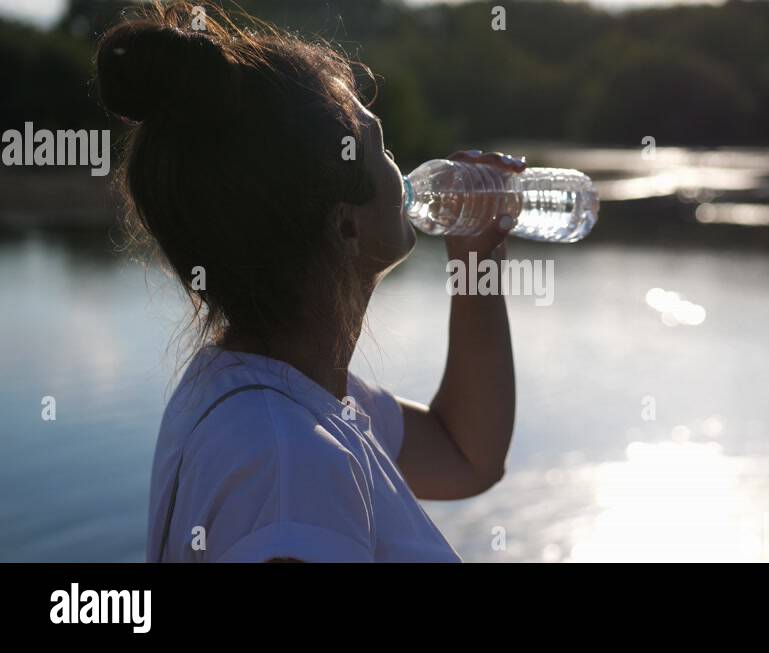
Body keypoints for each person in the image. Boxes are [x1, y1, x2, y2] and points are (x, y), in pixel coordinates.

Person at [96, 1, 521, 562]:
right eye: (382, 148)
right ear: (345, 223)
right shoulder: (289, 461)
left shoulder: (279, 391)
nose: (402, 166)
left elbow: (467, 454)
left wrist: (477, 259)